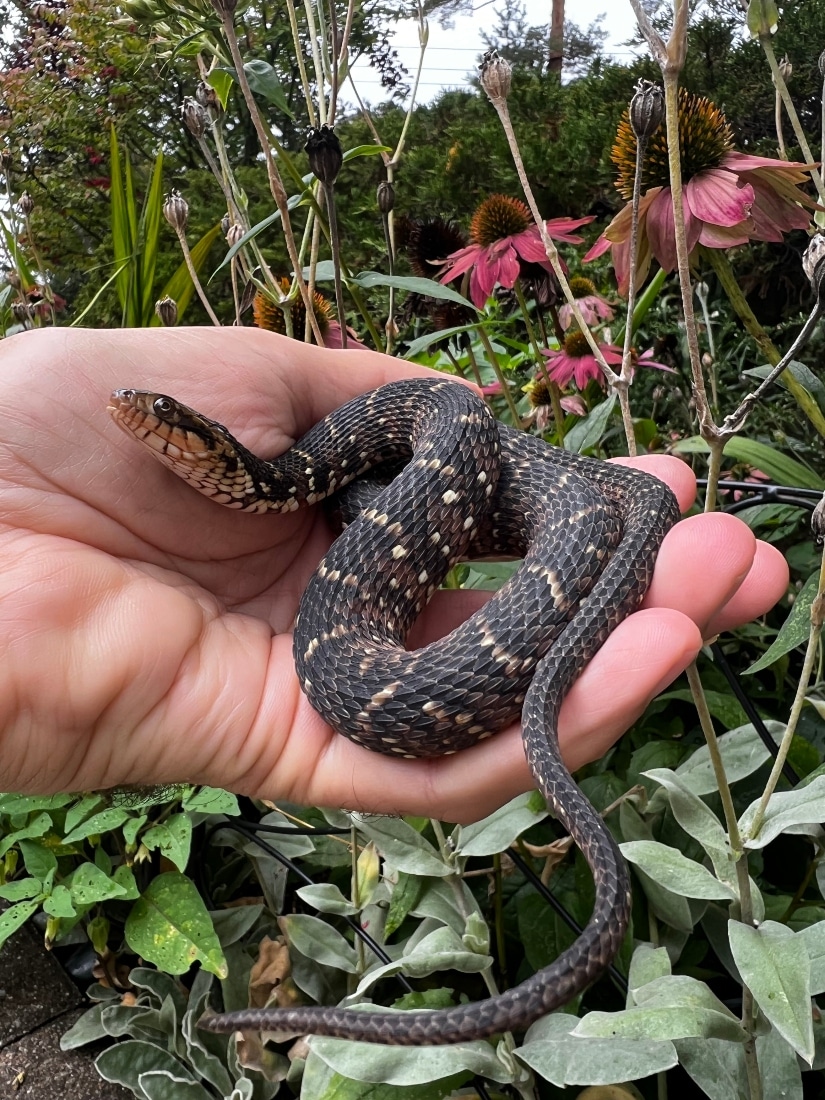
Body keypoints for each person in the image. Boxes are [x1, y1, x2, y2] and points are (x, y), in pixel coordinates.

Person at [0, 326, 788, 823]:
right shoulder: (311, 478)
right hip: (366, 613)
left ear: (208, 438)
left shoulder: (395, 435)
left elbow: (447, 416)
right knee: (581, 505)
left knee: (605, 503)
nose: (146, 417)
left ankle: (599, 514)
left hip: (482, 489)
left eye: (167, 416)